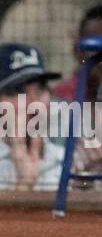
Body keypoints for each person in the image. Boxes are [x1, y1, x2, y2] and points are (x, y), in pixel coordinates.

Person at [0, 43, 65, 191]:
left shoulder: (67, 160)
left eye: (40, 90)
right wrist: (24, 183)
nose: (34, 104)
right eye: (18, 92)